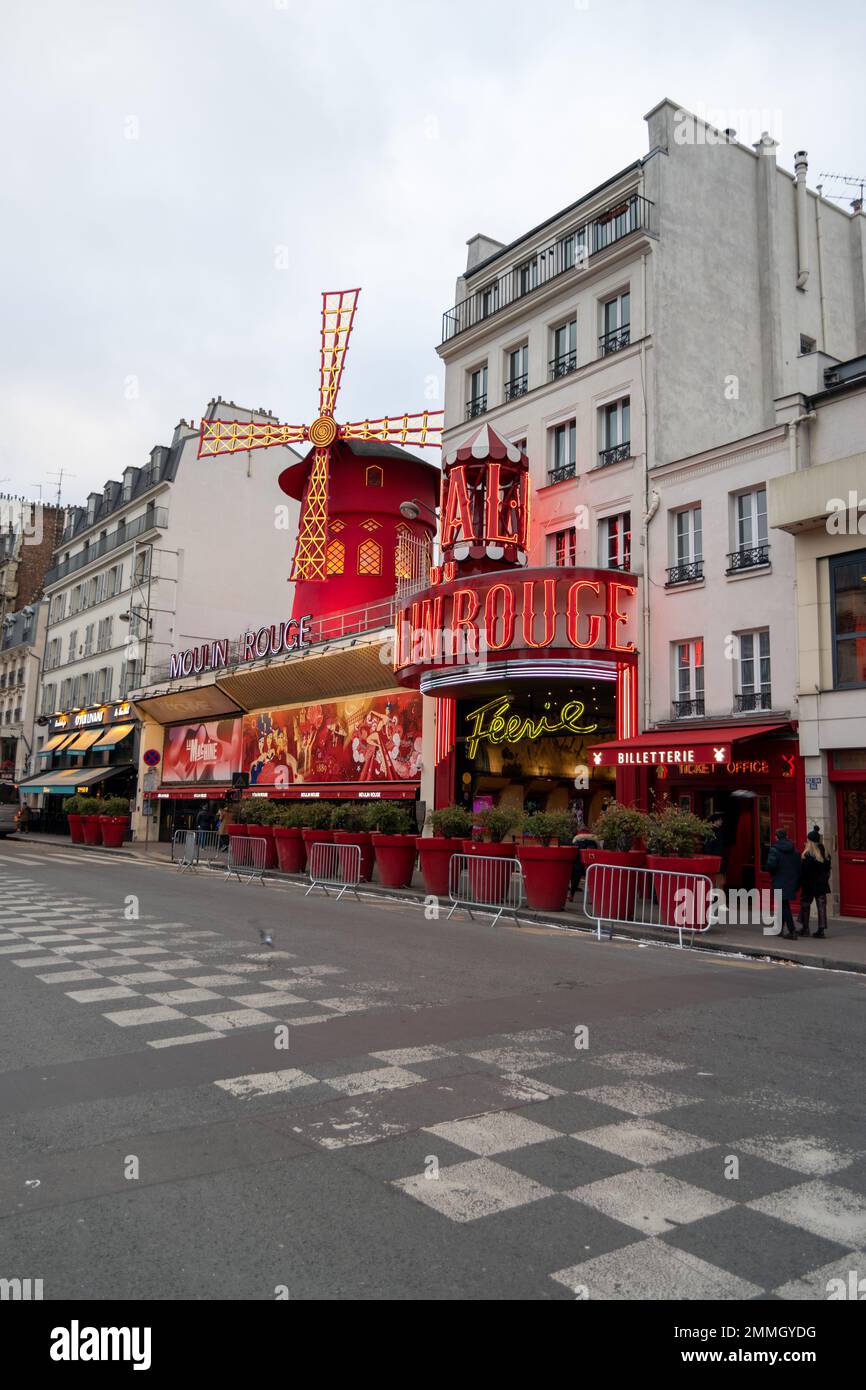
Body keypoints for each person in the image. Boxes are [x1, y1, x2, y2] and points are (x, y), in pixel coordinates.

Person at [766, 827, 801, 940]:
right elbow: (798, 866)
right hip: (791, 880)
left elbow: (771, 865)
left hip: (779, 880)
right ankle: (780, 928)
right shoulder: (794, 850)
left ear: (776, 837)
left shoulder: (774, 850)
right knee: (783, 904)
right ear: (786, 836)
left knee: (784, 905)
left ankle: (792, 930)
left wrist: (771, 872)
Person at [798, 826, 831, 939]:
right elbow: (827, 870)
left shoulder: (807, 855)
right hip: (821, 884)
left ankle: (805, 928)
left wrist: (799, 883)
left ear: (810, 841)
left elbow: (803, 872)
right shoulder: (825, 853)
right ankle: (821, 930)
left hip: (809, 884)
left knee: (805, 905)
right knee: (821, 906)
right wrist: (825, 879)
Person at [568, 828, 599, 903]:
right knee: (592, 882)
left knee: (575, 879)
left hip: (578, 865)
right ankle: (593, 898)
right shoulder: (594, 843)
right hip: (590, 865)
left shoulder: (576, 842)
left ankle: (571, 895)